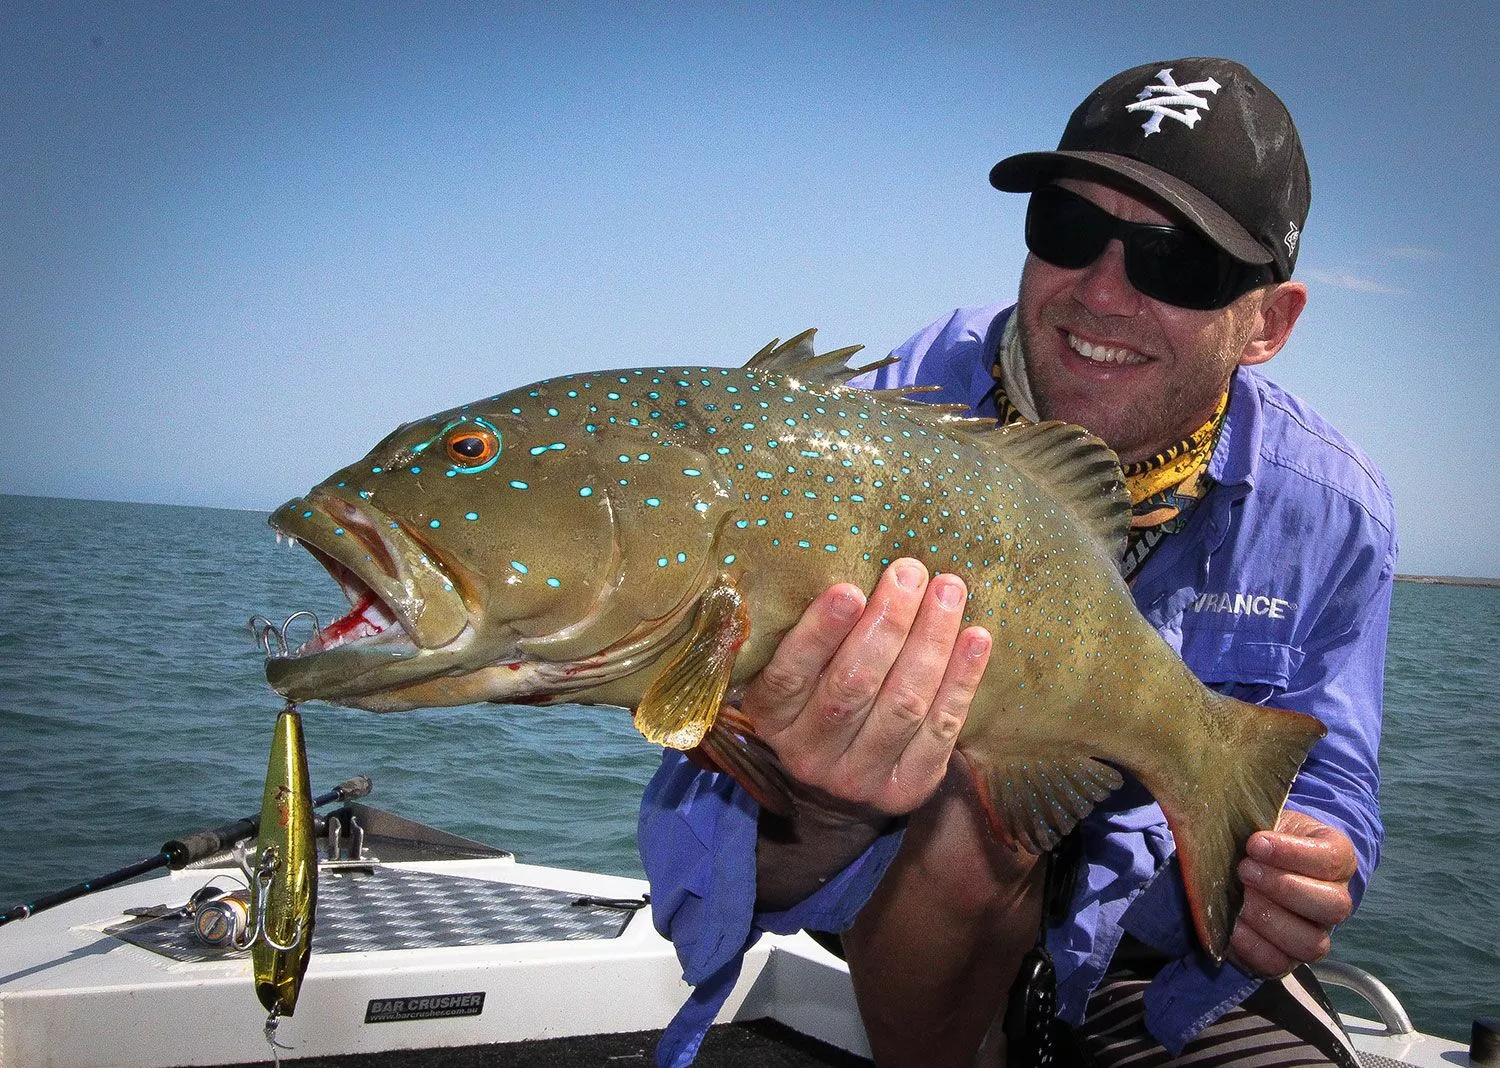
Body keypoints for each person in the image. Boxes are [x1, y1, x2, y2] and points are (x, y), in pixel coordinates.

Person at [639, 57, 1395, 1067]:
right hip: (903, 920)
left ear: (1269, 322)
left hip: (1162, 954)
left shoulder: (1334, 510)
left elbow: (1328, 769)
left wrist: (1308, 862)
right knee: (966, 826)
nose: (1104, 291)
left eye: (1181, 263)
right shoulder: (858, 437)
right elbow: (694, 868)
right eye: (1068, 228)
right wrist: (818, 805)